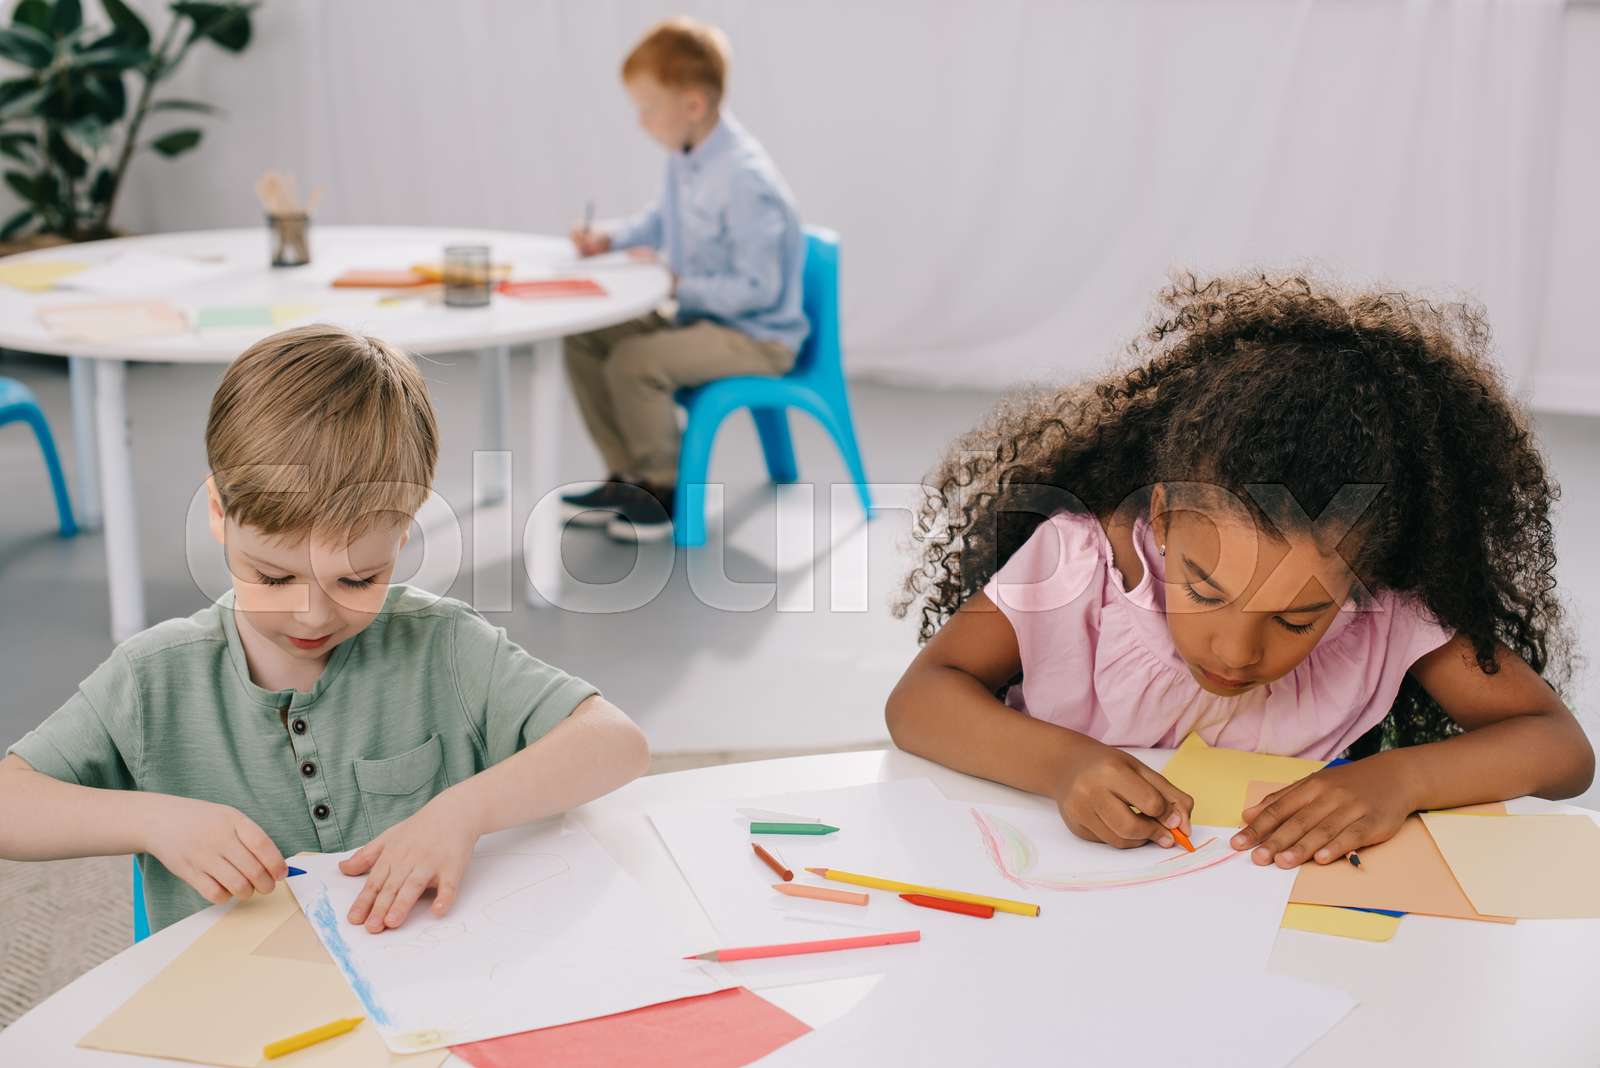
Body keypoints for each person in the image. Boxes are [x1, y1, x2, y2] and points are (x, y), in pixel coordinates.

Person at [886, 273, 1593, 869]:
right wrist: (1061, 765)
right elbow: (919, 702)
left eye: (1297, 617)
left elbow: (1562, 751)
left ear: (1363, 580)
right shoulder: (1079, 563)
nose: (1236, 651)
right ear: (1159, 519)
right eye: (1205, 589)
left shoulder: (1388, 608)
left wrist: (1400, 780)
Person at [0, 325, 650, 933]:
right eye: (274, 578)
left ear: (405, 529)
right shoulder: (154, 679)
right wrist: (151, 820)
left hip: (432, 1001)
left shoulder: (444, 645)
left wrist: (463, 811)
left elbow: (614, 742)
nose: (311, 615)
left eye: (357, 580)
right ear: (220, 513)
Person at [563, 16, 808, 542]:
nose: (640, 122)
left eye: (648, 109)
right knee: (584, 335)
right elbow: (660, 218)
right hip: (702, 319)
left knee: (635, 361)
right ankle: (628, 474)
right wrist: (610, 238)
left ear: (692, 105)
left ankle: (662, 489)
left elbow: (758, 289)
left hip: (756, 337)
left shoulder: (744, 179)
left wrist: (678, 286)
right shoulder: (687, 157)